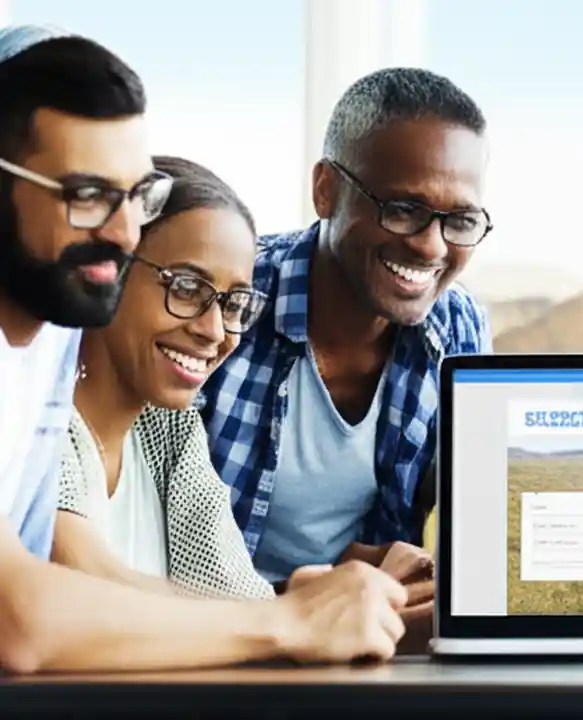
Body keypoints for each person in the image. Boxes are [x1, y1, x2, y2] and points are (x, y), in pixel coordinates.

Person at [0, 24, 406, 674]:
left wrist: (368, 607)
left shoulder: (160, 427)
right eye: (86, 195)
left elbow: (228, 603)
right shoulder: (50, 400)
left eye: (136, 197)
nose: (122, 230)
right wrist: (289, 619)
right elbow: (25, 615)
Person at [198, 67, 495, 639]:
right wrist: (309, 598)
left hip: (357, 640)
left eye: (459, 220)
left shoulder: (458, 328)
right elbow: (150, 550)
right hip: (206, 641)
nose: (432, 246)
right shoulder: (228, 299)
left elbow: (469, 514)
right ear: (326, 190)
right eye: (402, 209)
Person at [53, 154, 284, 600]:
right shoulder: (36, 415)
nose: (214, 330)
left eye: (233, 303)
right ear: (107, 273)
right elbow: (87, 591)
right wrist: (295, 617)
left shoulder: (169, 430)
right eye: (185, 288)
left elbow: (236, 601)